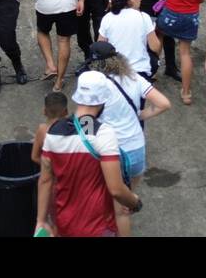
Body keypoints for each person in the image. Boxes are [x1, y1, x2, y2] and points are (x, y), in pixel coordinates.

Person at [35, 70, 142, 237]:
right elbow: (116, 189)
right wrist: (135, 203)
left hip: (65, 223)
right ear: (103, 101)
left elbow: (45, 180)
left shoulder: (54, 132)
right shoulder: (102, 133)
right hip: (98, 227)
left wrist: (41, 220)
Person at [83, 42, 170, 235]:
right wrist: (140, 115)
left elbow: (85, 119)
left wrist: (88, 140)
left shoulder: (97, 87)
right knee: (125, 201)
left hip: (111, 152)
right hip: (136, 150)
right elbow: (164, 103)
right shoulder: (134, 78)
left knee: (118, 209)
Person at [99, 0, 163, 83]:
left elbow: (100, 46)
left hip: (115, 71)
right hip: (139, 71)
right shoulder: (144, 17)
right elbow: (155, 47)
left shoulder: (107, 18)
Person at [31, 91, 69, 165]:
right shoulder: (72, 128)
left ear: (44, 111)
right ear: (66, 111)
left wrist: (52, 168)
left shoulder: (42, 130)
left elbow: (35, 157)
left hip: (51, 172)